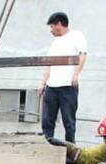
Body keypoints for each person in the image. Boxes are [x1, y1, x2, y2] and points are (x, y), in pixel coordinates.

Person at [38, 12, 87, 143]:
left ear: (59, 24)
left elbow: (82, 55)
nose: (51, 30)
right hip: (52, 86)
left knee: (68, 120)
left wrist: (76, 74)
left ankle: (70, 149)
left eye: (52, 26)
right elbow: (49, 64)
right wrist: (42, 82)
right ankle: (47, 145)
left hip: (68, 86)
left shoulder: (77, 36)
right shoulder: (55, 43)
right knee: (47, 120)